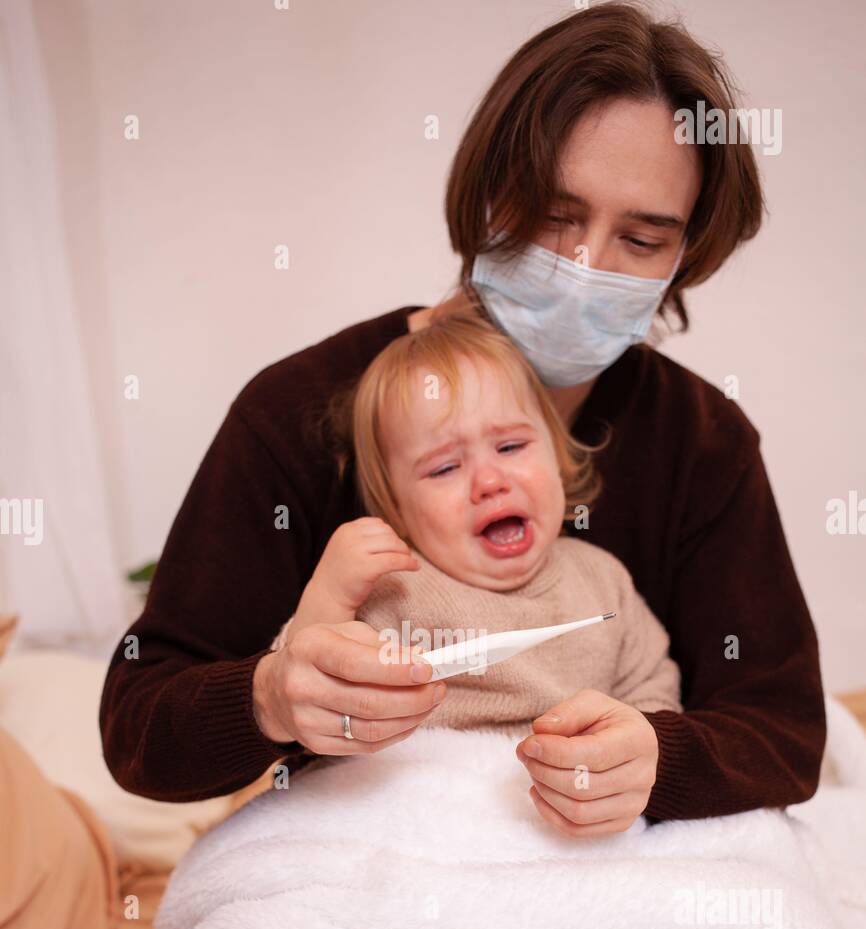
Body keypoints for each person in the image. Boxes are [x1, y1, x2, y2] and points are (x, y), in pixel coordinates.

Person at [99, 2, 825, 829]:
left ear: (687, 255)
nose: (585, 264)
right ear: (487, 193)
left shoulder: (702, 443)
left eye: (642, 239)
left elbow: (785, 731)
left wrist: (660, 760)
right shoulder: (297, 413)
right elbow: (139, 728)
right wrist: (268, 697)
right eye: (555, 214)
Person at [272, 310, 681, 834]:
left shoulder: (604, 581)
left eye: (511, 447)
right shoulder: (391, 588)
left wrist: (626, 750)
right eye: (444, 468)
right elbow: (310, 695)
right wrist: (327, 596)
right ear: (395, 509)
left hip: (554, 817)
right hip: (409, 828)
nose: (489, 481)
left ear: (558, 457)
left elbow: (653, 691)